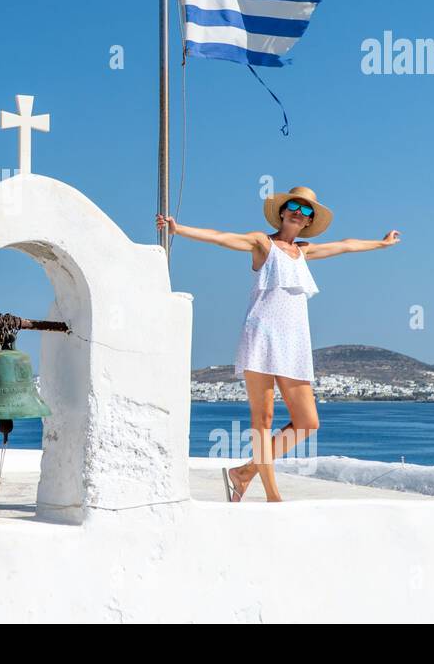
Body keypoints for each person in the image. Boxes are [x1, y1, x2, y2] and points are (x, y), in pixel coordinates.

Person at [156, 186, 400, 502]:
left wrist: (381, 244)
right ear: (283, 210)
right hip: (261, 336)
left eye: (308, 210)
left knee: (308, 421)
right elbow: (222, 237)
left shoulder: (305, 251)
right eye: (295, 206)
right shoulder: (263, 244)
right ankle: (272, 495)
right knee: (264, 419)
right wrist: (180, 229)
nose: (301, 212)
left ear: (310, 220)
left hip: (295, 344)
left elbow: (346, 246)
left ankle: (242, 473)